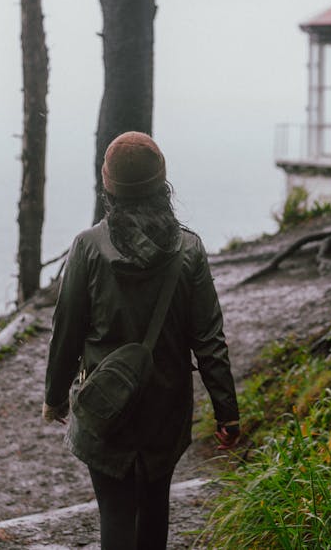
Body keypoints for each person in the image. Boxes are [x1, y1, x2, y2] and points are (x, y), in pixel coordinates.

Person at [42, 131, 241, 550]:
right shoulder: (189, 251)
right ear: (162, 186)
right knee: (154, 507)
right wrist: (227, 412)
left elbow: (67, 330)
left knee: (115, 511)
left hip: (105, 408)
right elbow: (209, 339)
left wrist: (56, 396)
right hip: (165, 411)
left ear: (108, 188)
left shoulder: (87, 248)